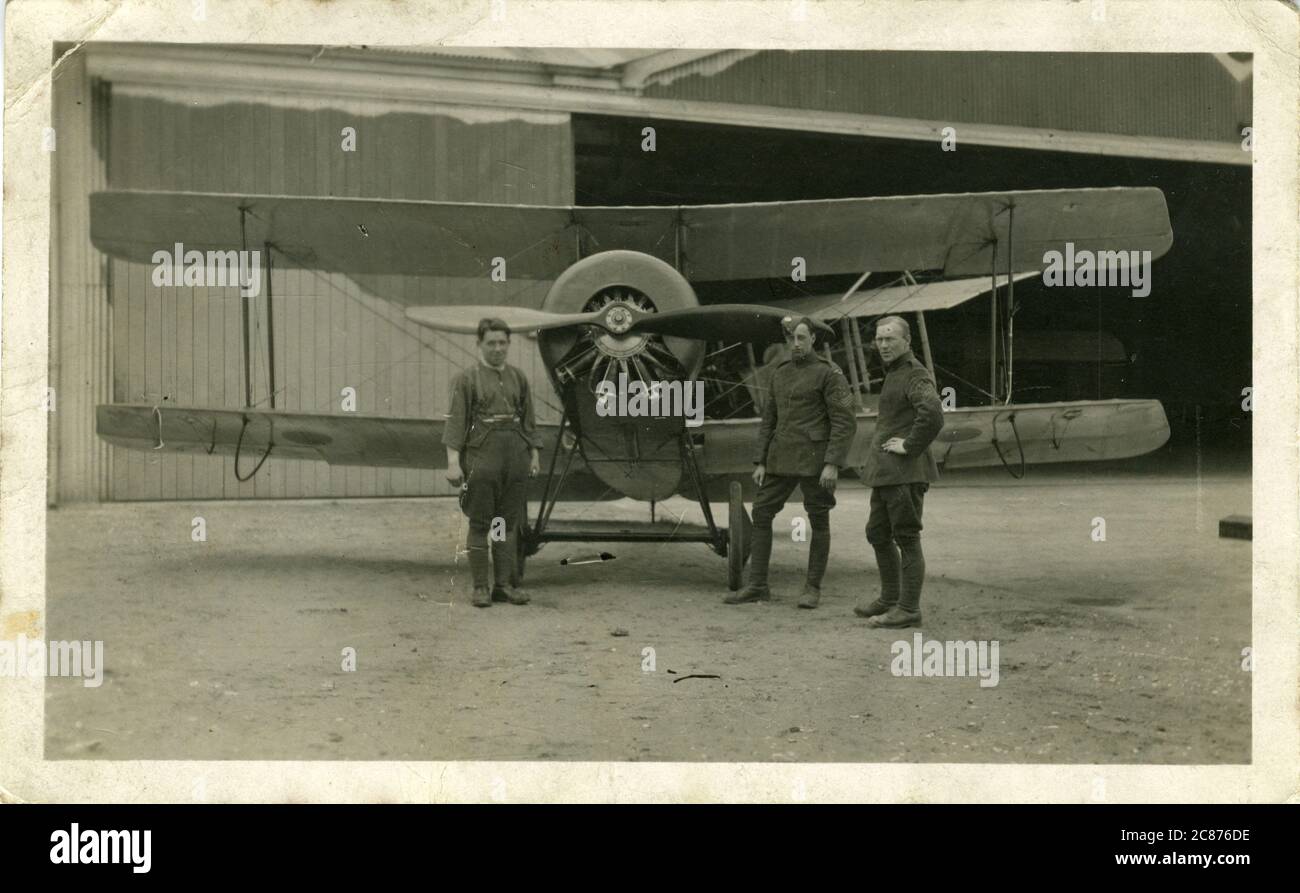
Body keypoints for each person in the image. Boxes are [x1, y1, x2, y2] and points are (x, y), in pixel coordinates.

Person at [725, 316, 857, 608]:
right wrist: (760, 461)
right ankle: (758, 585)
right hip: (780, 458)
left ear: (812, 339)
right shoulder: (780, 373)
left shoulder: (829, 373)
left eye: (801, 338)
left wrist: (833, 462)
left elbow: (844, 422)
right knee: (761, 513)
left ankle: (812, 589)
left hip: (815, 461)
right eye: (791, 338)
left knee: (819, 520)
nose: (795, 344)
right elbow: (769, 419)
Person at [444, 318, 542, 608]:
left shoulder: (518, 378)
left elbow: (528, 421)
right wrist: (452, 461)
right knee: (480, 523)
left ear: (509, 344)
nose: (498, 348)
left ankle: (502, 586)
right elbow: (455, 423)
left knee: (506, 524)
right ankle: (480, 588)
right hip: (481, 459)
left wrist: (534, 454)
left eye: (503, 343)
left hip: (515, 458)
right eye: (491, 343)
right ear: (479, 344)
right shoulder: (466, 379)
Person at [856, 315, 944, 628]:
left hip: (905, 472)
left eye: (890, 339)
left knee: (906, 537)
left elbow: (932, 413)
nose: (883, 345)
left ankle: (908, 609)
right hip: (887, 473)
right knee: (877, 533)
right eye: (879, 339)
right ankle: (891, 597)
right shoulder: (895, 372)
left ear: (907, 342)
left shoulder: (914, 373)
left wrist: (909, 445)